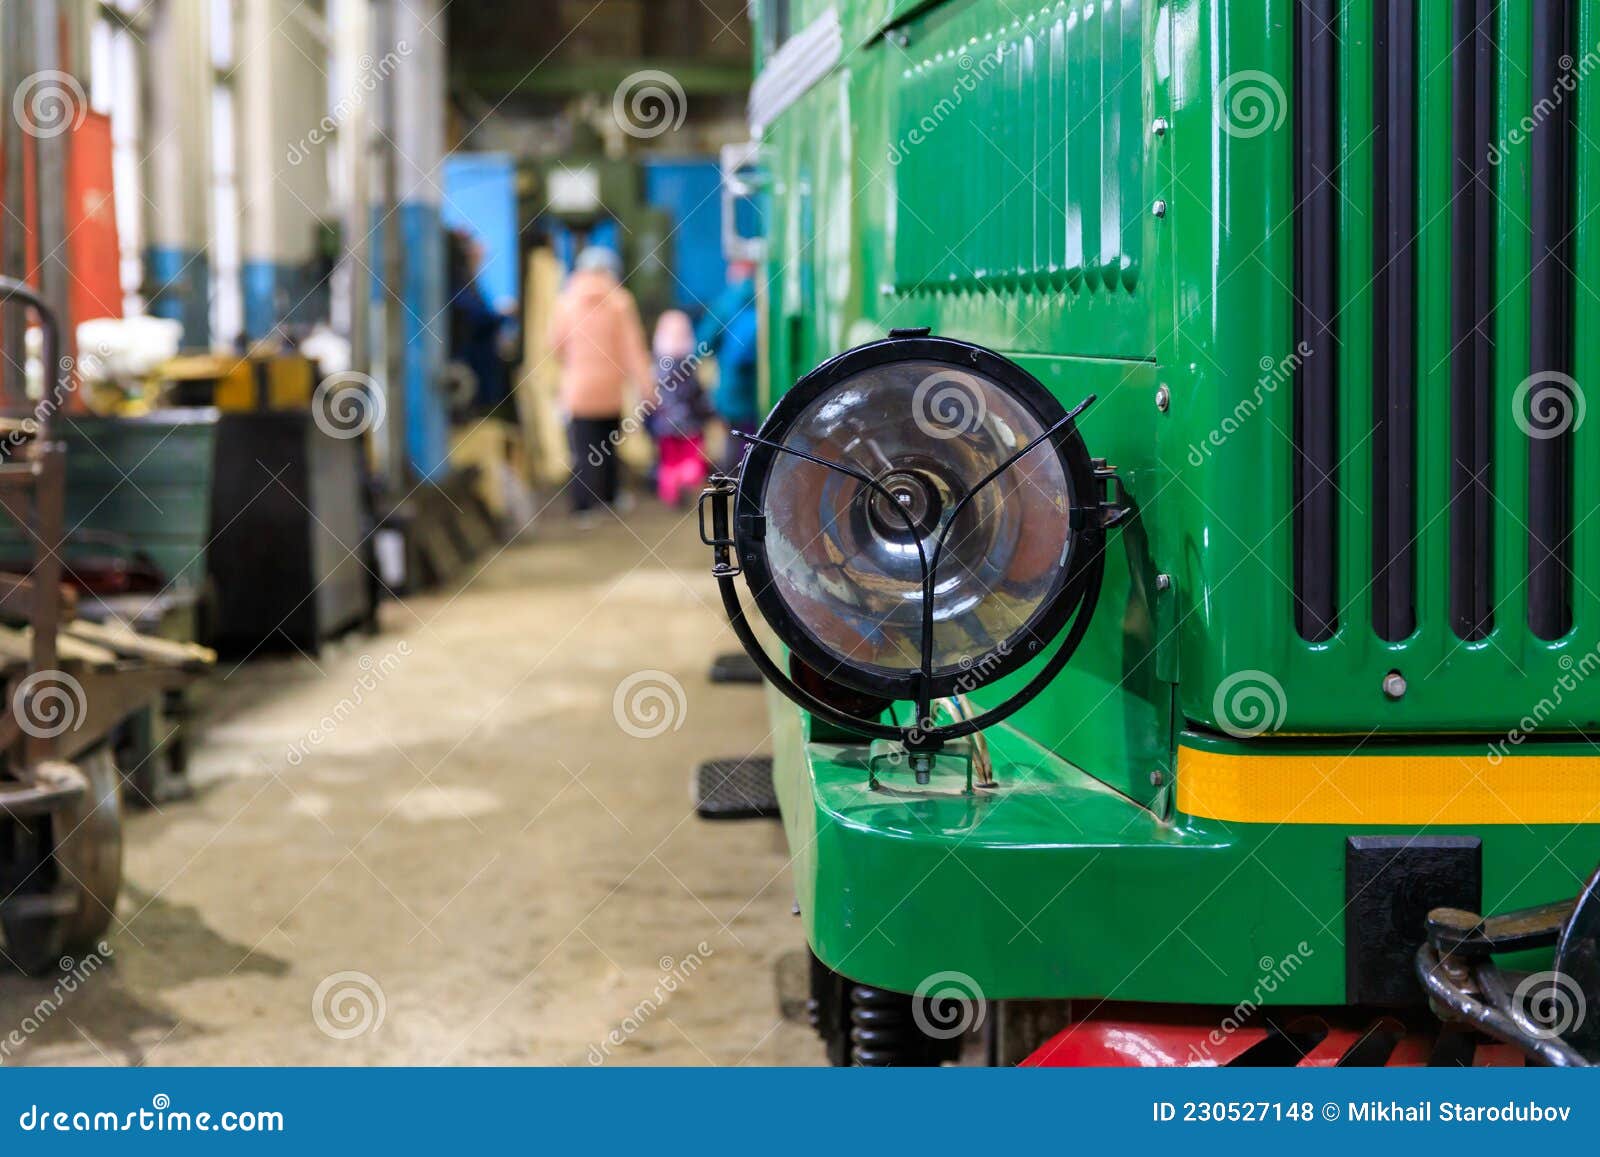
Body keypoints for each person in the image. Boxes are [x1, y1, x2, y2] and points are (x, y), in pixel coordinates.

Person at [547, 246, 654, 525]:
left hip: (578, 389)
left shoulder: (566, 301)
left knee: (583, 449)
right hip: (610, 390)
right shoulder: (620, 302)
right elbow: (634, 348)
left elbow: (555, 344)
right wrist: (647, 386)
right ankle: (608, 498)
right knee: (608, 445)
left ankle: (583, 507)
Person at [695, 261, 759, 470]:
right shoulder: (769, 297)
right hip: (762, 384)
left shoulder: (726, 302)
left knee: (734, 434)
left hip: (733, 382)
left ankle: (735, 482)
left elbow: (704, 342)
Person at [646, 310, 713, 507]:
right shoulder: (688, 367)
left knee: (669, 462)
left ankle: (671, 493)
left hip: (664, 425)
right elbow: (696, 394)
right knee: (691, 459)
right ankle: (687, 484)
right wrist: (707, 412)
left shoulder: (657, 366)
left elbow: (652, 397)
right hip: (690, 424)